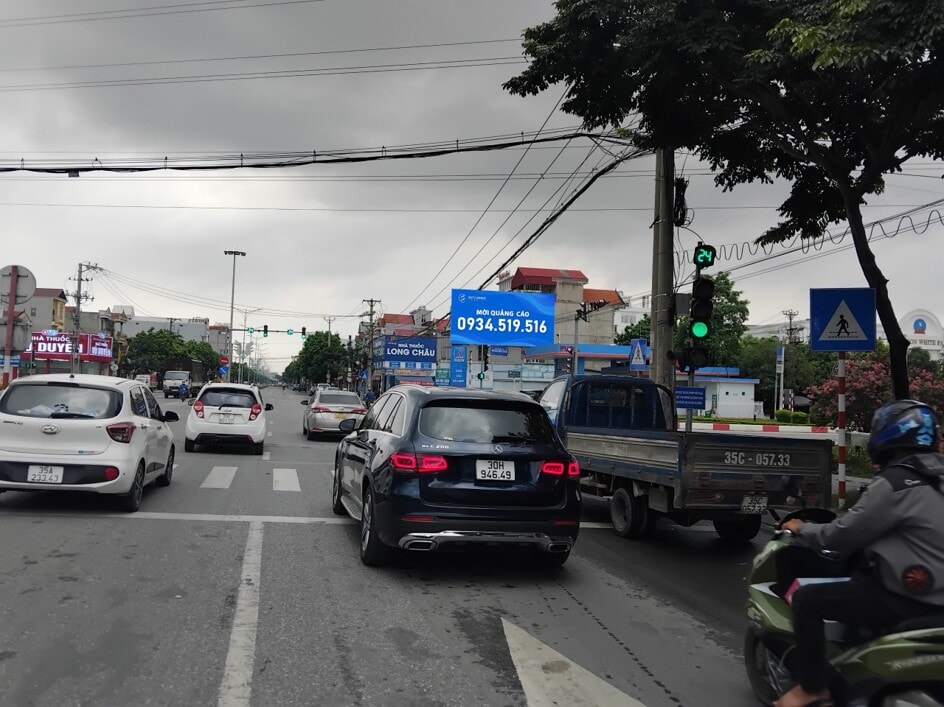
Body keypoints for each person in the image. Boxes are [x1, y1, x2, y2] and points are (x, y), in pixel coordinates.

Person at [775, 399, 944, 707]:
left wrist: (802, 528)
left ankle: (813, 688)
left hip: (907, 599)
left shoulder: (894, 484)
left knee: (806, 601)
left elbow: (840, 535)